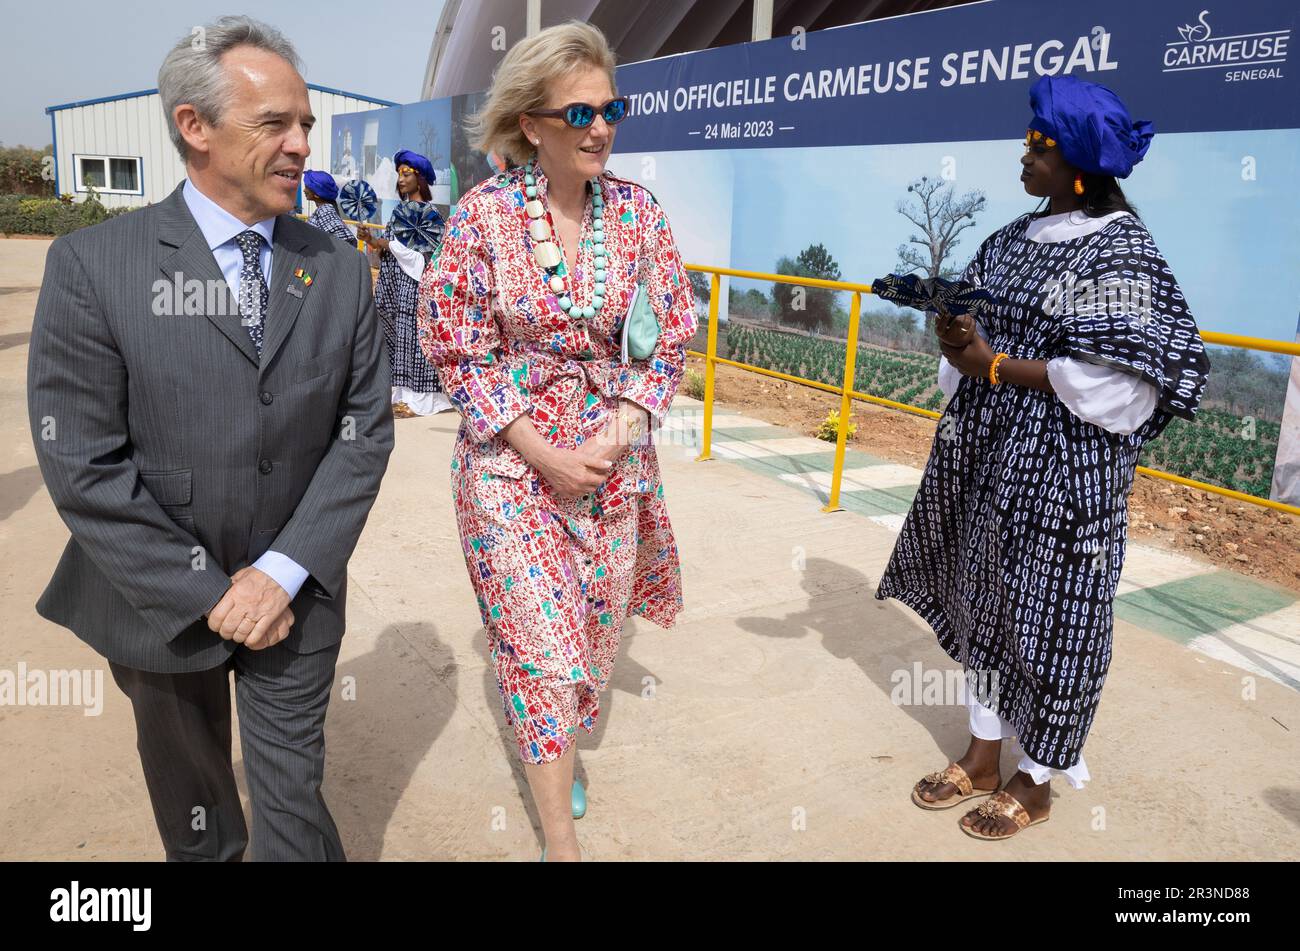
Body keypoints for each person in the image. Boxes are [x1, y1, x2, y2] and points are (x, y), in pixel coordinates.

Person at [26, 15, 394, 861]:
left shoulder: (338, 268)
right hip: (157, 604)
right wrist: (207, 590)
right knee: (199, 820)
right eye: (276, 123)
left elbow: (363, 431)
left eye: (306, 122)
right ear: (194, 127)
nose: (302, 143)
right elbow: (82, 461)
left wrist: (280, 572)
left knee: (292, 811)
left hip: (296, 596)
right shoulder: (95, 266)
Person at [876, 75, 1209, 840]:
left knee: (1056, 625)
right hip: (991, 466)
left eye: (1041, 145)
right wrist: (956, 343)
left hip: (1066, 484)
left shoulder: (1123, 255)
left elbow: (1121, 386)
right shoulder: (1010, 239)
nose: (1024, 155)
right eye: (1028, 141)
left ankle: (1036, 780)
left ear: (1081, 166)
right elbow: (972, 341)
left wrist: (994, 366)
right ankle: (984, 754)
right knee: (988, 603)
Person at [419, 21, 695, 861]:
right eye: (579, 114)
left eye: (611, 108)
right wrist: (543, 451)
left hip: (614, 465)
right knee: (541, 645)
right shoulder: (482, 218)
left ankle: (559, 745)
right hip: (512, 465)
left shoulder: (640, 214)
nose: (601, 128)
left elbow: (676, 332)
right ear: (531, 124)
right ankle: (561, 842)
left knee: (592, 639)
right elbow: (454, 345)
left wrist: (620, 430)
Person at [357, 150, 453, 417]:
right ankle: (399, 394)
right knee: (394, 340)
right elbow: (387, 250)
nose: (401, 179)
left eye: (406, 174)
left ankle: (421, 398)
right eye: (399, 174)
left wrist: (389, 244)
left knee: (414, 341)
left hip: (415, 290)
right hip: (393, 287)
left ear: (420, 178)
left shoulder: (430, 214)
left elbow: (428, 257)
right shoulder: (400, 212)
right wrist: (371, 240)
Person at [303, 169, 356, 243]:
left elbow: (345, 241)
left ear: (317, 194)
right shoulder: (326, 209)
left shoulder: (325, 211)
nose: (304, 190)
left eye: (306, 188)